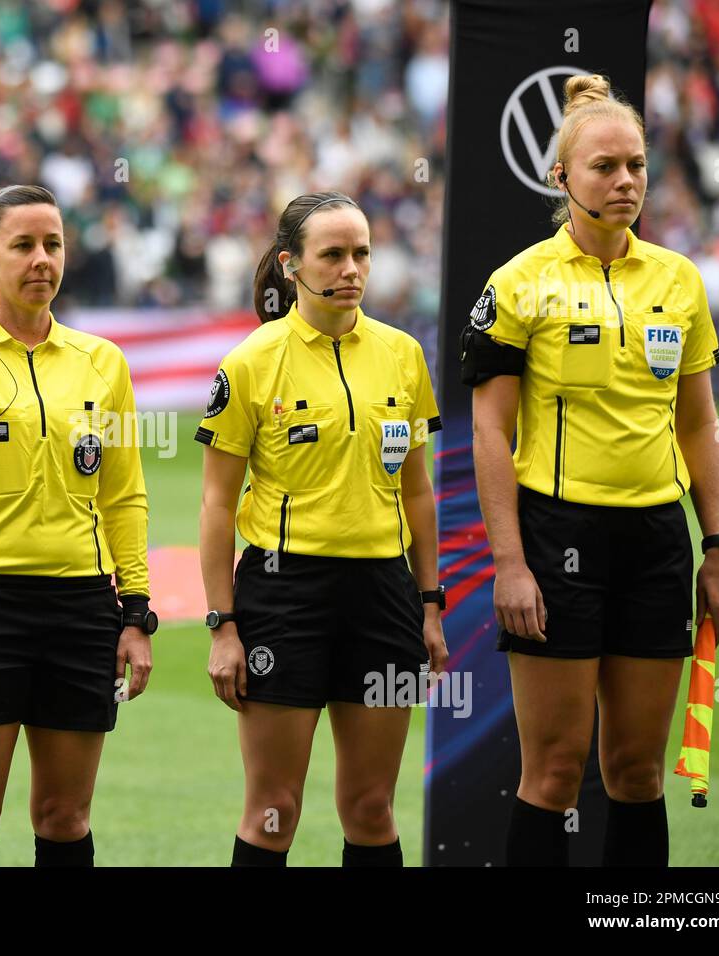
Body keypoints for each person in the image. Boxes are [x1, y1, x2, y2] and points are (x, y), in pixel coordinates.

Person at [461, 75, 719, 866]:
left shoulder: (679, 282)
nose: (625, 182)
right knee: (551, 772)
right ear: (561, 179)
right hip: (556, 540)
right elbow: (490, 431)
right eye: (604, 167)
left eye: (637, 166)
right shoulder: (517, 284)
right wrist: (509, 564)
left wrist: (717, 544)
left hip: (655, 540)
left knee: (638, 772)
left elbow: (697, 425)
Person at [0, 184, 156, 868]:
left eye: (53, 244)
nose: (42, 259)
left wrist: (136, 613)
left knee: (65, 817)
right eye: (23, 245)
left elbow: (125, 496)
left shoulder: (106, 364)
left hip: (82, 610)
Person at [198, 191, 448, 867]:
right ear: (290, 264)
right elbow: (218, 506)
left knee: (371, 810)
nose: (351, 269)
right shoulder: (251, 362)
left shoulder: (402, 355)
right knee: (273, 811)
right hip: (284, 597)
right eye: (332, 254)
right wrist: (223, 625)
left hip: (384, 597)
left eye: (361, 252)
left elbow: (419, 491)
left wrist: (429, 604)